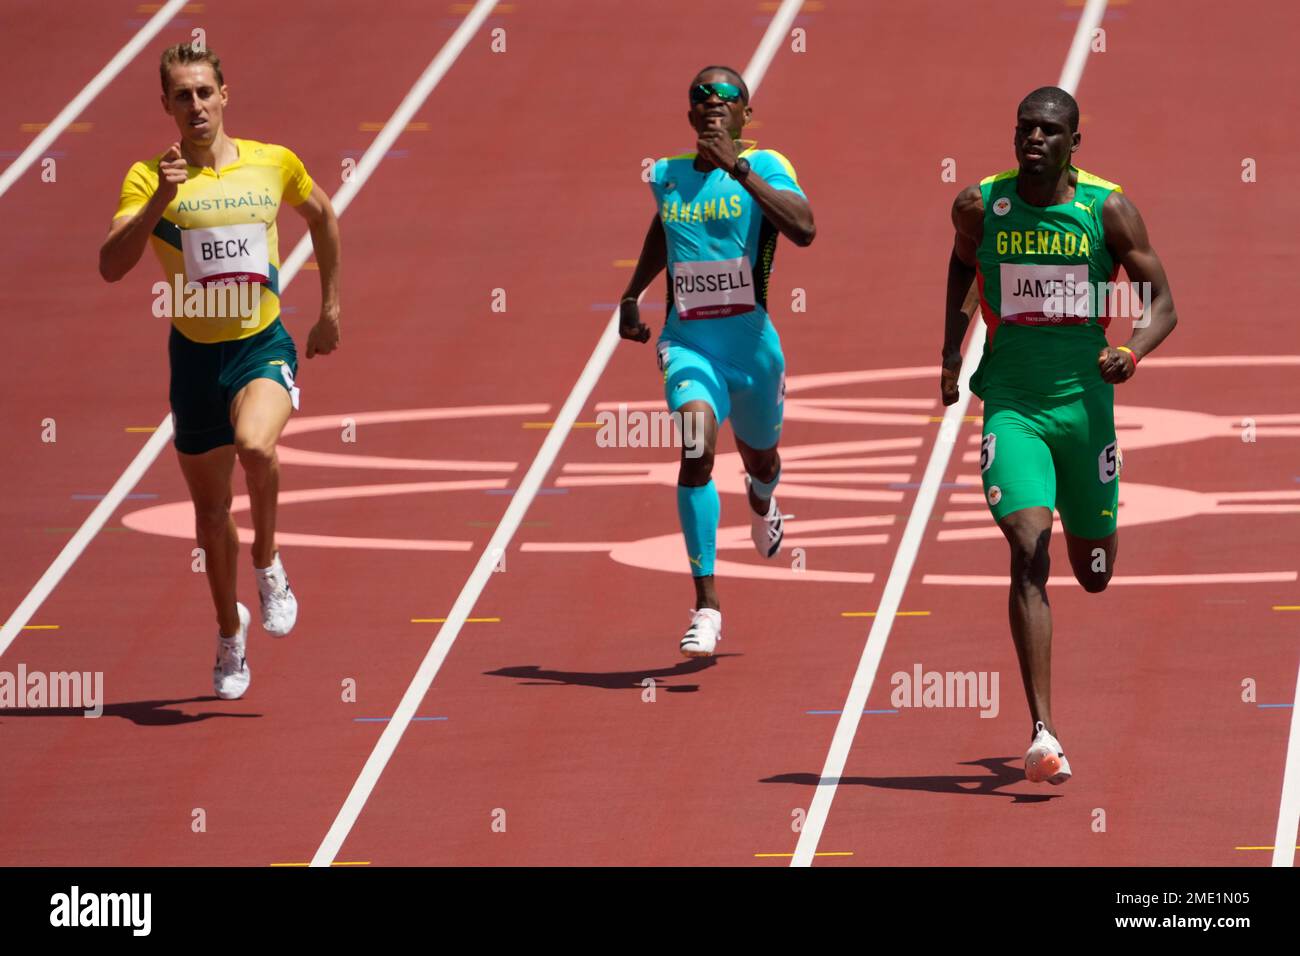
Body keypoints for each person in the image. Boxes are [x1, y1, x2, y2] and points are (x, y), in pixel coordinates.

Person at [942, 86, 1177, 783]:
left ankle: (1095, 526)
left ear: (1075, 144)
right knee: (1027, 547)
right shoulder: (981, 205)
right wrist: (952, 354)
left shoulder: (1107, 210)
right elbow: (962, 261)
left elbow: (1163, 300)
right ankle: (1043, 728)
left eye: (1049, 131)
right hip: (1012, 402)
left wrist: (1131, 350)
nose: (1033, 140)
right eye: (1024, 129)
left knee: (1093, 573)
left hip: (1085, 409)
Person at [99, 44, 341, 699]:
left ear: (225, 94)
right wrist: (157, 206)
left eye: (205, 92)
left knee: (258, 447)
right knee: (210, 516)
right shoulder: (149, 179)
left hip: (260, 343)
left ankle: (268, 560)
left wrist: (329, 310)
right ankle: (228, 634)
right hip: (194, 359)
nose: (196, 106)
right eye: (183, 96)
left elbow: (321, 214)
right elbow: (111, 265)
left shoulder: (272, 163)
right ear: (167, 107)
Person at [618, 65, 815, 658]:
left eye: (726, 97)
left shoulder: (769, 165)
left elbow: (804, 228)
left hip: (753, 350)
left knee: (761, 457)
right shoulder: (667, 176)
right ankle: (706, 604)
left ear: (743, 114)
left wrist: (739, 168)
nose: (712, 103)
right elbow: (667, 229)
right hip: (689, 344)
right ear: (689, 115)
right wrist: (632, 293)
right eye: (700, 97)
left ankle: (762, 497)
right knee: (697, 445)